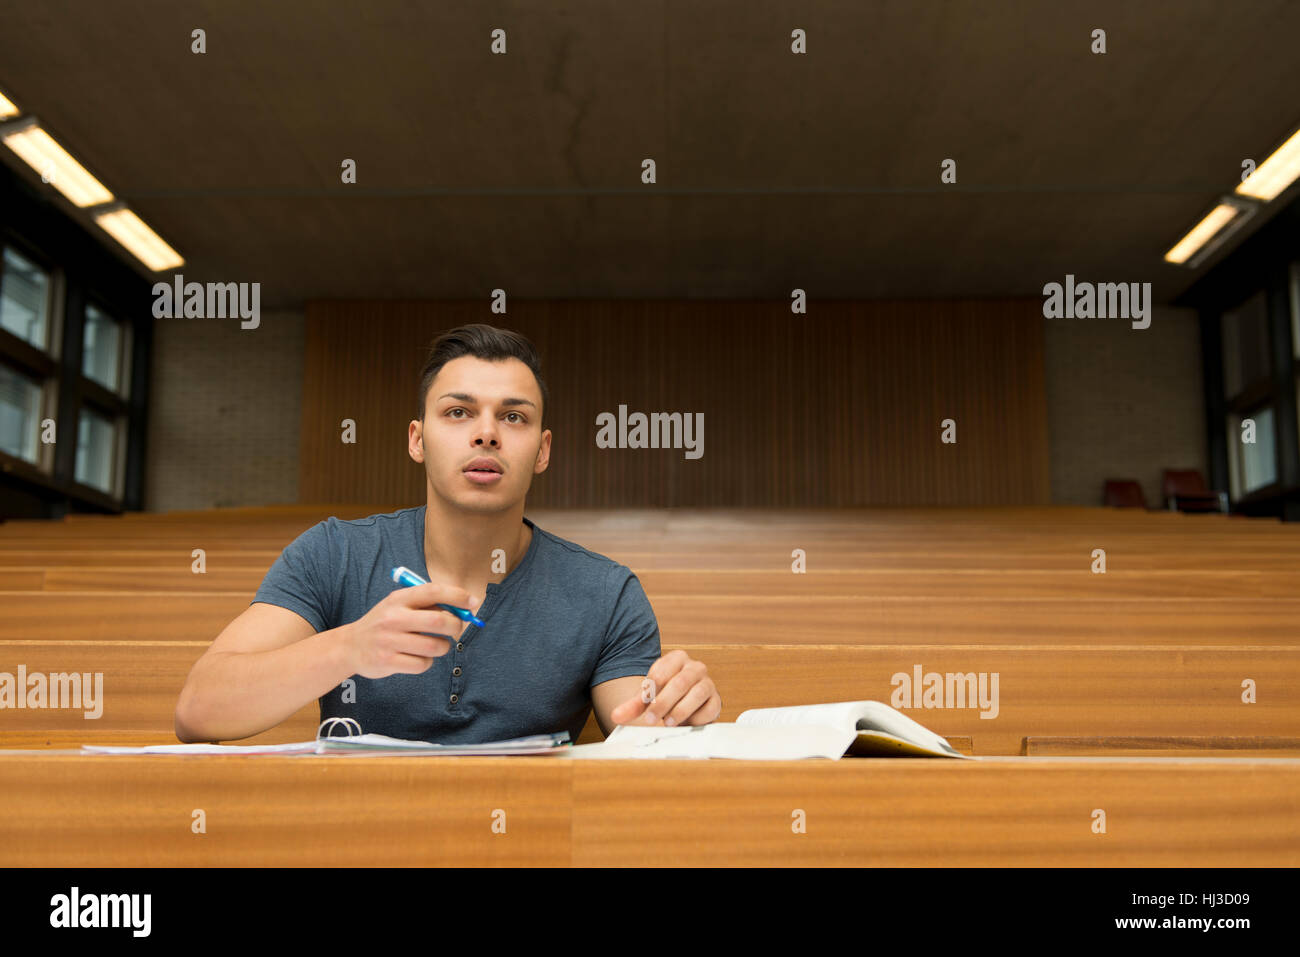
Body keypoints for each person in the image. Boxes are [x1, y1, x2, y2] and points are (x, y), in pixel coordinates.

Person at [174, 323, 721, 744]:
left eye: (513, 417)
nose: (486, 433)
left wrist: (670, 712)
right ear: (418, 439)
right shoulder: (334, 553)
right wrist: (350, 646)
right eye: (459, 412)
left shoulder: (605, 592)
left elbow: (641, 726)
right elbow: (199, 710)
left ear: (543, 450)